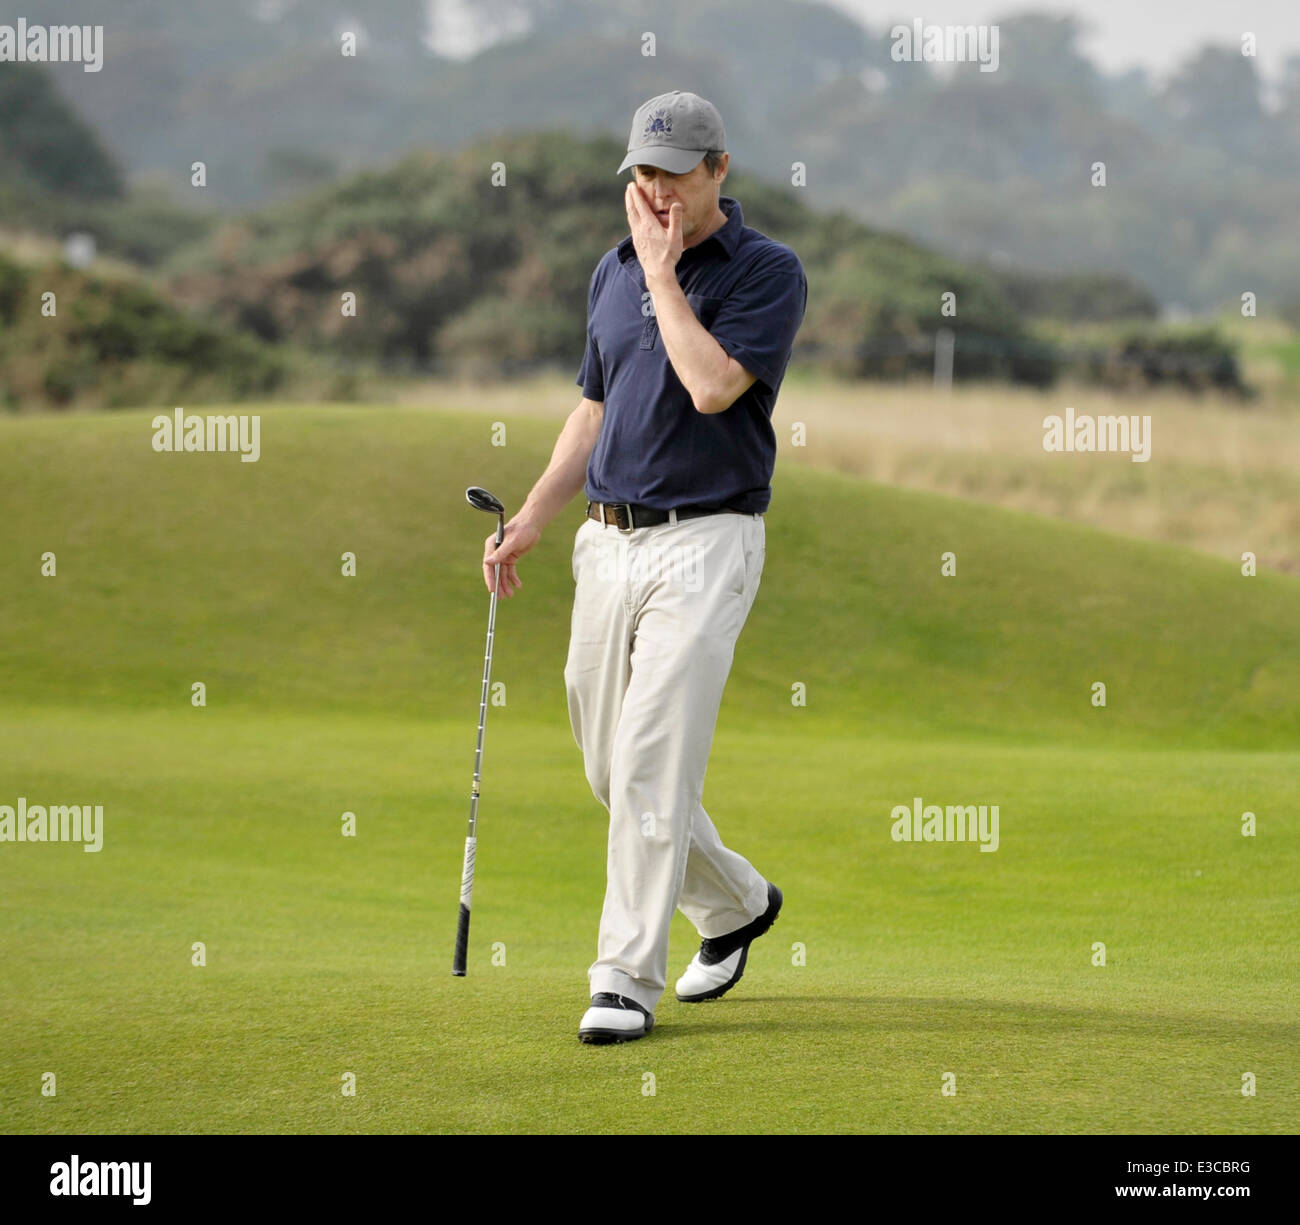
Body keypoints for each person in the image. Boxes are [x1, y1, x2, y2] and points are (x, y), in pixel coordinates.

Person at [482, 90, 807, 1043]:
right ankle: (736, 901)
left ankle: (624, 975)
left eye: (673, 171)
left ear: (717, 170)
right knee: (609, 767)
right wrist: (533, 515)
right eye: (642, 172)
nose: (654, 188)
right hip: (606, 541)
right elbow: (594, 407)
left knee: (655, 759)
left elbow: (712, 388)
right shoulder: (610, 272)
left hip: (708, 541)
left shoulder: (765, 271)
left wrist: (665, 276)